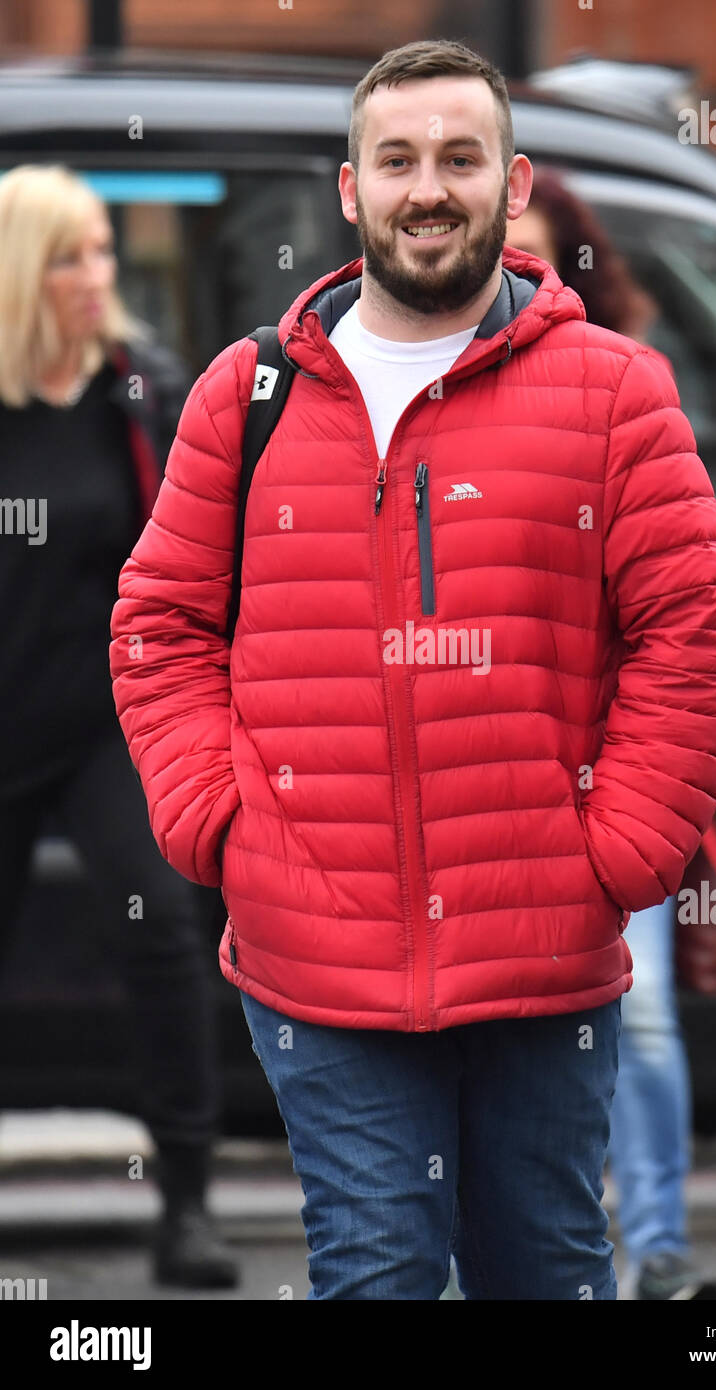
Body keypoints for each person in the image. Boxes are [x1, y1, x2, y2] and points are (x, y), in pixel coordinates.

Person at [109, 39, 716, 1301]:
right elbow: (158, 623)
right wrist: (218, 826)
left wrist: (612, 855)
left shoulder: (616, 391)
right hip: (316, 952)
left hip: (544, 951)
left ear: (514, 188)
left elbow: (698, 633)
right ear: (349, 192)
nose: (428, 187)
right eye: (395, 160)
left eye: (461, 158)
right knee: (381, 1265)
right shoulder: (248, 396)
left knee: (545, 1268)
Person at [0, 164, 238, 1289]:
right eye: (69, 255)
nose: (97, 275)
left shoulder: (139, 394)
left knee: (162, 935)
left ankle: (188, 1201)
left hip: (107, 724)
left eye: (102, 250)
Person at [508, 167, 716, 1299]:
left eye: (541, 258)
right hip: (503, 774)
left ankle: (660, 1249)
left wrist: (646, 801)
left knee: (636, 1022)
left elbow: (689, 611)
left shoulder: (630, 390)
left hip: (611, 773)